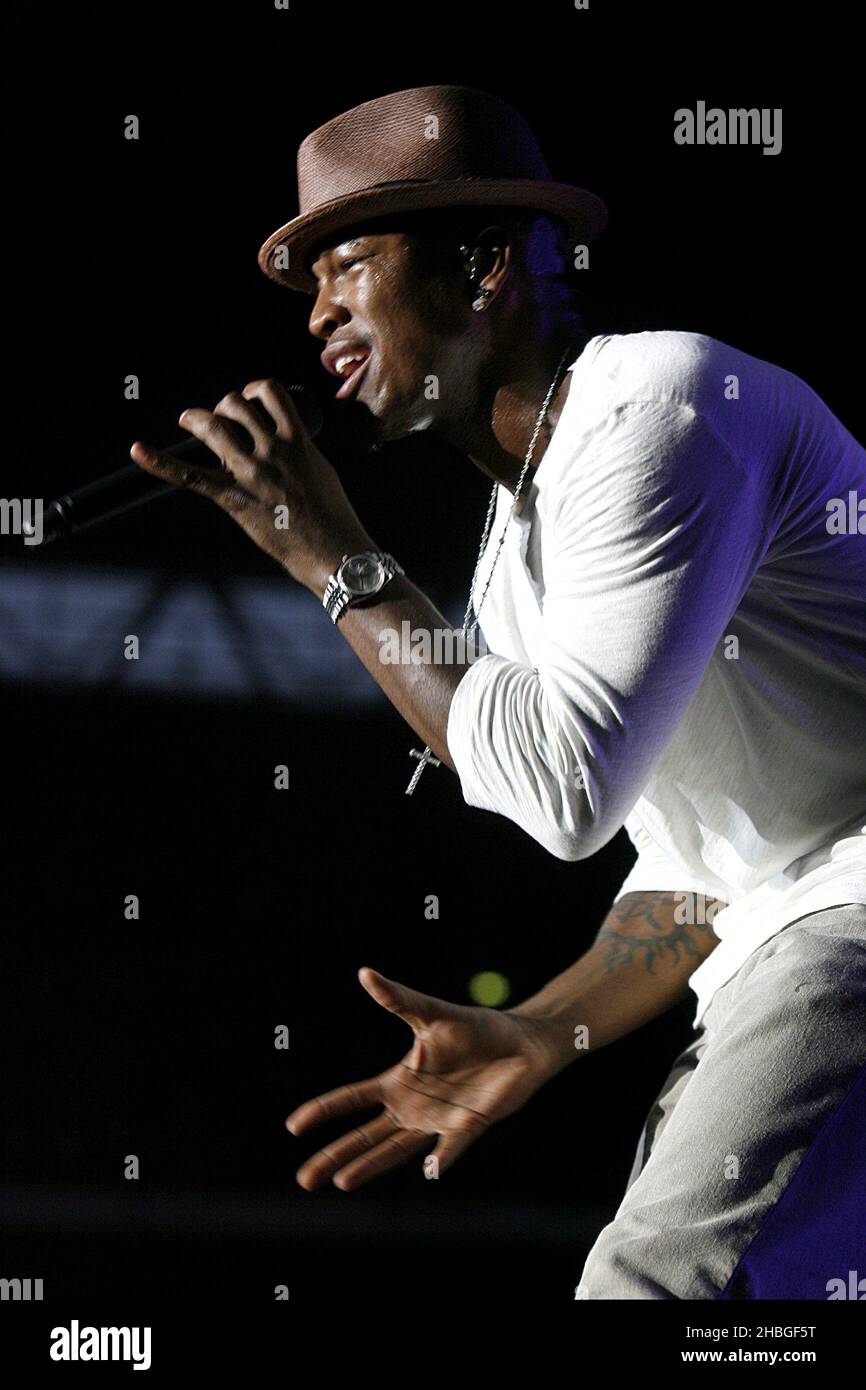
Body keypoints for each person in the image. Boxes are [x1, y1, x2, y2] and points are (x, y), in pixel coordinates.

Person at [130, 85, 866, 1299]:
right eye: (306, 282)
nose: (316, 312)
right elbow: (702, 861)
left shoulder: (655, 408)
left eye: (348, 261)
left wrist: (328, 553)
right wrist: (543, 1024)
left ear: (481, 267)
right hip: (798, 917)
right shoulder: (520, 532)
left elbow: (565, 789)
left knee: (659, 1285)